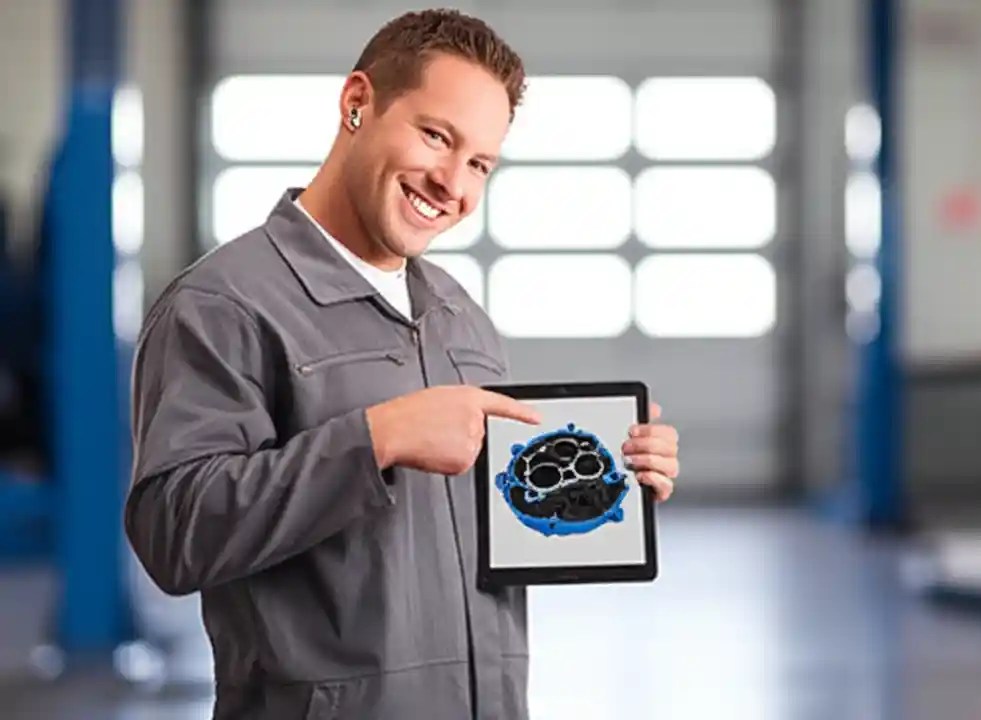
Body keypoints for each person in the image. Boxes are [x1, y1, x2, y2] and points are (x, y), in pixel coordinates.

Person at [124, 9, 680, 719]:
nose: (454, 183)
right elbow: (175, 533)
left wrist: (613, 476)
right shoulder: (225, 304)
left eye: (480, 163)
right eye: (436, 136)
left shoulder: (460, 318)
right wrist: (376, 437)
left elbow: (484, 524)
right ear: (358, 104)